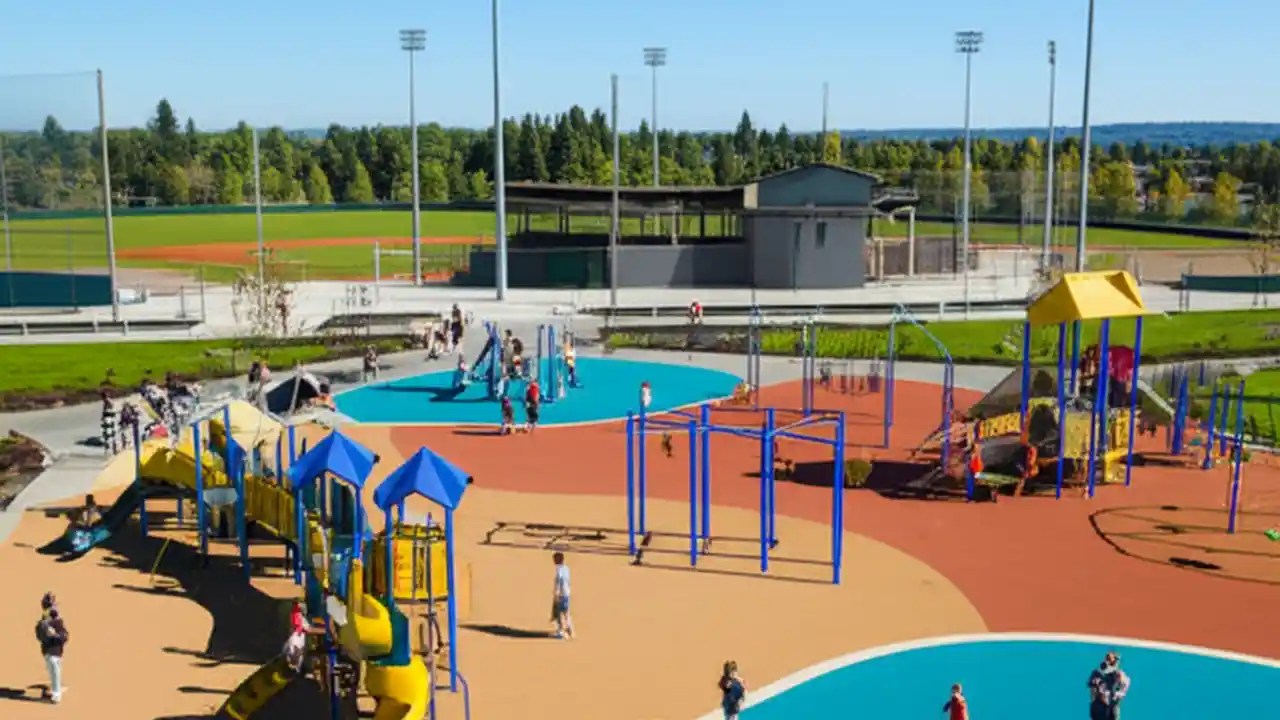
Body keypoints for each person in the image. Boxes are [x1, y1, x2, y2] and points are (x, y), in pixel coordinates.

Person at [36, 601, 69, 703]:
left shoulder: (58, 621)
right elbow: (39, 635)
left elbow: (65, 635)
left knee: (55, 667)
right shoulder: (42, 623)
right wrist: (46, 632)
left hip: (56, 650)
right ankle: (56, 687)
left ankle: (56, 693)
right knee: (52, 669)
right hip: (48, 650)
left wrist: (56, 635)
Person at [550, 551, 573, 639]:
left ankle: (560, 631)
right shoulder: (566, 568)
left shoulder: (559, 570)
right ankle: (569, 629)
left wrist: (556, 595)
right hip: (567, 594)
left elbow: (559, 583)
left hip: (561, 594)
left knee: (558, 614)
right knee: (566, 613)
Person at [99, 389, 118, 455]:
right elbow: (105, 410)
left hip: (109, 417)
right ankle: (111, 444)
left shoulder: (107, 401)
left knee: (109, 431)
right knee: (109, 431)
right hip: (109, 417)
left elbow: (110, 408)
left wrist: (105, 414)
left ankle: (111, 445)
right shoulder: (106, 401)